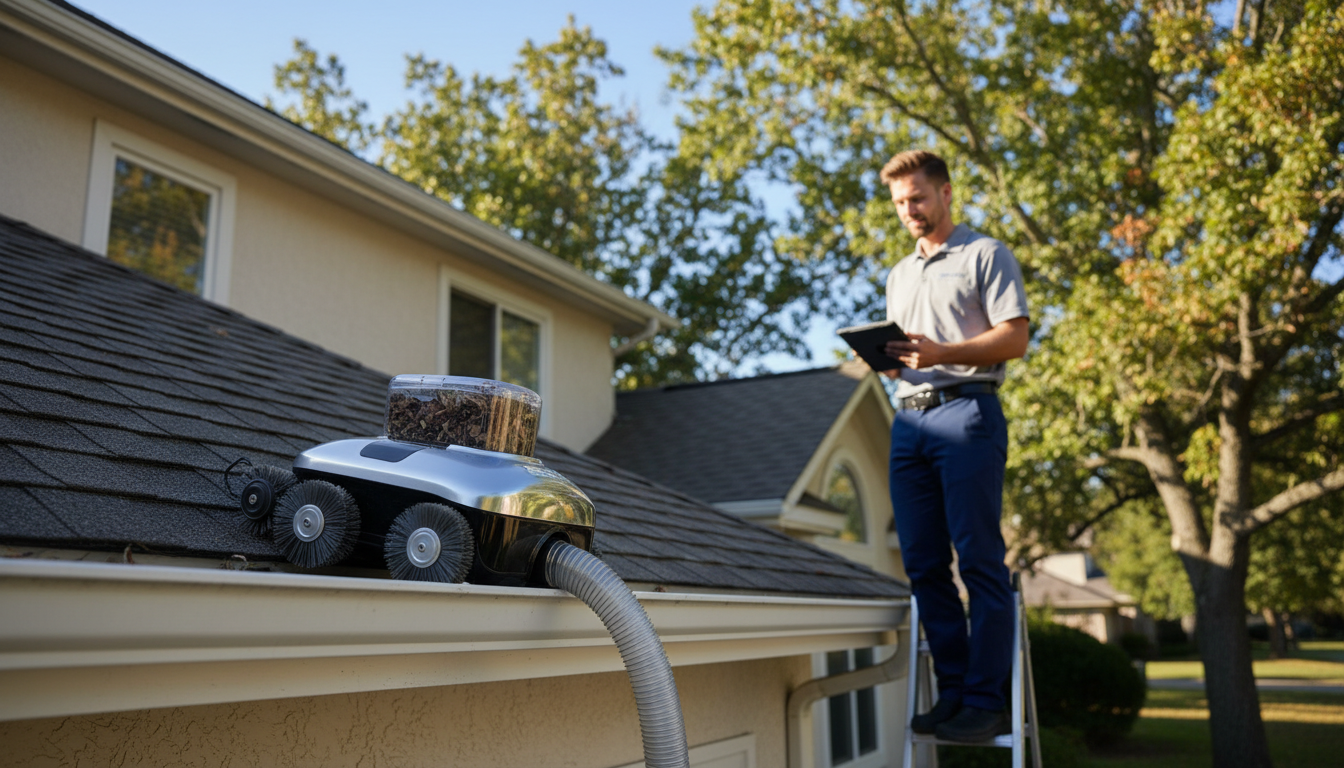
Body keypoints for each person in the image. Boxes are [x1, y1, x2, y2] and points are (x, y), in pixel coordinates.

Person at [879, 150, 1030, 743]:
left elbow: (1014, 339)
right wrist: (891, 361)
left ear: (945, 193)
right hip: (908, 425)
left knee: (978, 559)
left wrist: (941, 354)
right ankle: (956, 690)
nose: (909, 210)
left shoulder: (984, 254)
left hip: (967, 414)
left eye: (917, 197)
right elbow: (910, 352)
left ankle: (988, 700)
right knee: (922, 564)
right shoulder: (899, 273)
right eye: (899, 203)